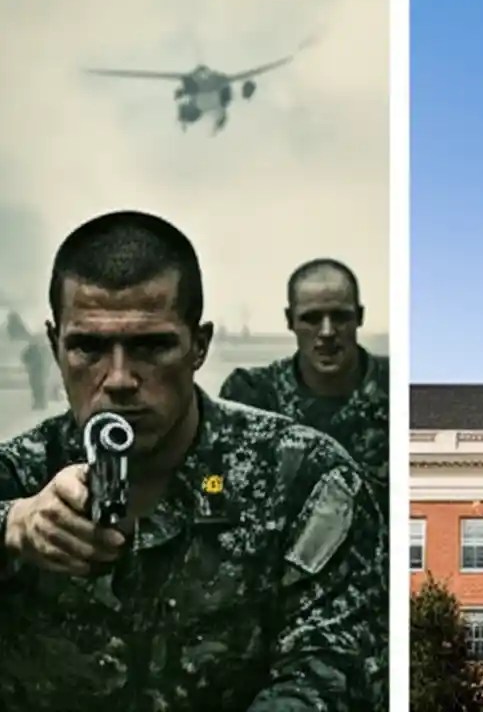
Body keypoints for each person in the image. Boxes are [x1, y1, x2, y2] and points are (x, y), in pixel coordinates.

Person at [0, 210, 386, 710]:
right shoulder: (21, 473)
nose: (118, 378)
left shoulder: (304, 480)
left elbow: (333, 678)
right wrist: (11, 525)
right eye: (88, 348)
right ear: (55, 347)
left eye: (151, 346)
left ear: (198, 346)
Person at [218, 258, 389, 514]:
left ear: (359, 317)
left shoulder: (396, 389)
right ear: (290, 320)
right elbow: (221, 494)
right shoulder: (253, 396)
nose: (327, 332)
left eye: (340, 317)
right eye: (312, 319)